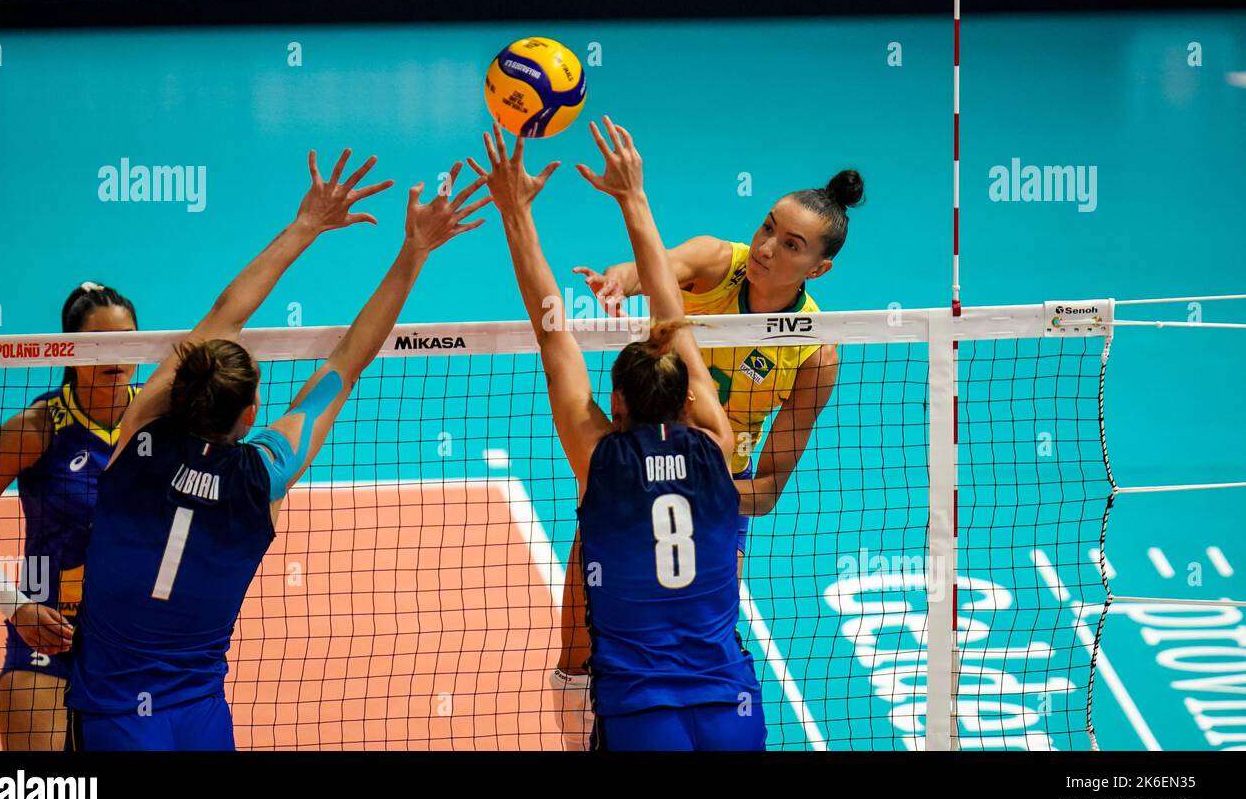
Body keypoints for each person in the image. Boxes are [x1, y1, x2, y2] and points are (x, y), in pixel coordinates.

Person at [64, 150, 488, 750]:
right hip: (200, 716)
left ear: (181, 390)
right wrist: (414, 250)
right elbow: (349, 359)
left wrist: (305, 225)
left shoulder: (138, 434)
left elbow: (225, 314)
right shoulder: (265, 474)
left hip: (114, 716)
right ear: (251, 416)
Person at [469, 117, 765, 749]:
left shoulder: (600, 458)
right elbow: (671, 315)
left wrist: (515, 212)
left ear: (615, 402)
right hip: (729, 699)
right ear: (691, 395)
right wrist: (634, 197)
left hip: (639, 709)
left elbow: (553, 333)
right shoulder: (718, 444)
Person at [554, 156, 864, 747]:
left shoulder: (815, 354)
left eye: (791, 244)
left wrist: (710, 496)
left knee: (697, 640)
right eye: (768, 226)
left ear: (818, 269)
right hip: (632, 465)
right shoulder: (717, 263)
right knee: (578, 639)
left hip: (718, 486)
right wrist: (621, 277)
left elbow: (769, 486)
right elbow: (660, 270)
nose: (767, 246)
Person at [0, 281, 139, 750]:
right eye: (98, 345)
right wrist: (16, 607)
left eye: (126, 341)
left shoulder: (159, 422)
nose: (114, 357)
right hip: (46, 634)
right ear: (71, 352)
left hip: (133, 640)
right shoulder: (35, 430)